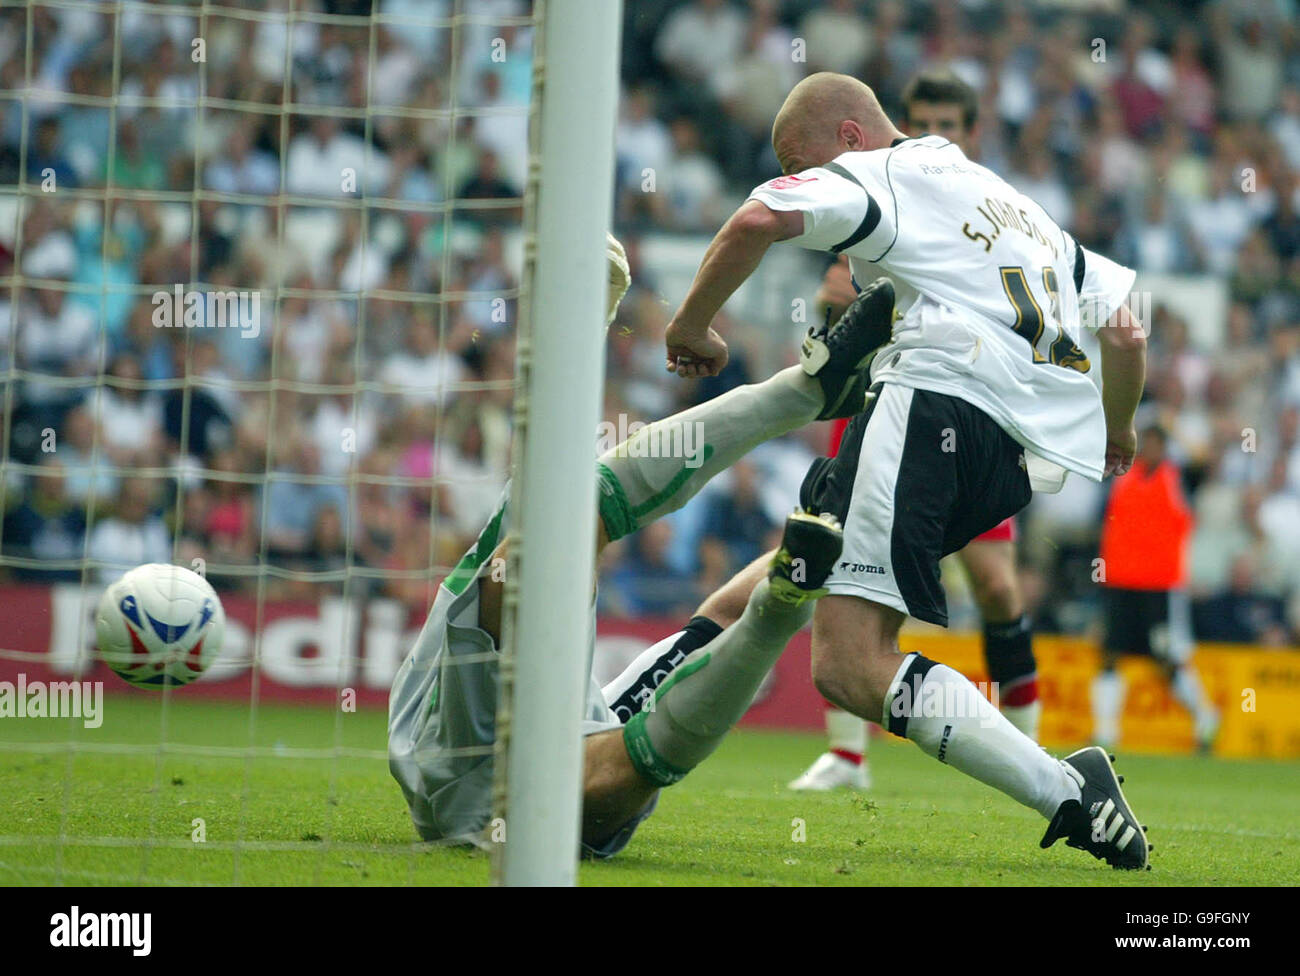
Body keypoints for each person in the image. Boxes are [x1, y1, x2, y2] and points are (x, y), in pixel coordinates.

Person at [662, 73, 1151, 869]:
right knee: (795, 568)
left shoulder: (875, 175)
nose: (801, 172)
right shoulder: (1014, 204)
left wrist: (694, 328)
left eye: (800, 157)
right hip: (1013, 458)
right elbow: (1127, 336)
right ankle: (626, 712)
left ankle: (1068, 787)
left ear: (849, 138)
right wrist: (1119, 428)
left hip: (933, 405)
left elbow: (757, 216)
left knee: (847, 663)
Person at [388, 237, 888, 855]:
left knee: (547, 524)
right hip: (501, 782)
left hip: (469, 758)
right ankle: (799, 530)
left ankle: (819, 449)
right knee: (567, 530)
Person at [792, 71, 1040, 792]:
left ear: (971, 132)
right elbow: (826, 346)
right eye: (924, 118)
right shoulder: (878, 196)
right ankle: (847, 756)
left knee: (995, 587)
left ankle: (1028, 743)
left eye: (951, 122)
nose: (938, 131)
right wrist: (829, 311)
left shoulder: (992, 209)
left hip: (960, 412)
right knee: (837, 561)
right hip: (883, 407)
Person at [1094, 425, 1219, 751]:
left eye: (1155, 443)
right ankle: (1106, 732)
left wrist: (1173, 423)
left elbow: (1205, 459)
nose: (1148, 449)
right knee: (1110, 654)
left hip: (1159, 586)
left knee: (1165, 657)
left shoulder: (1179, 477)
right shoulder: (1122, 474)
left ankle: (1204, 715)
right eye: (1144, 443)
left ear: (1165, 447)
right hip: (1121, 580)